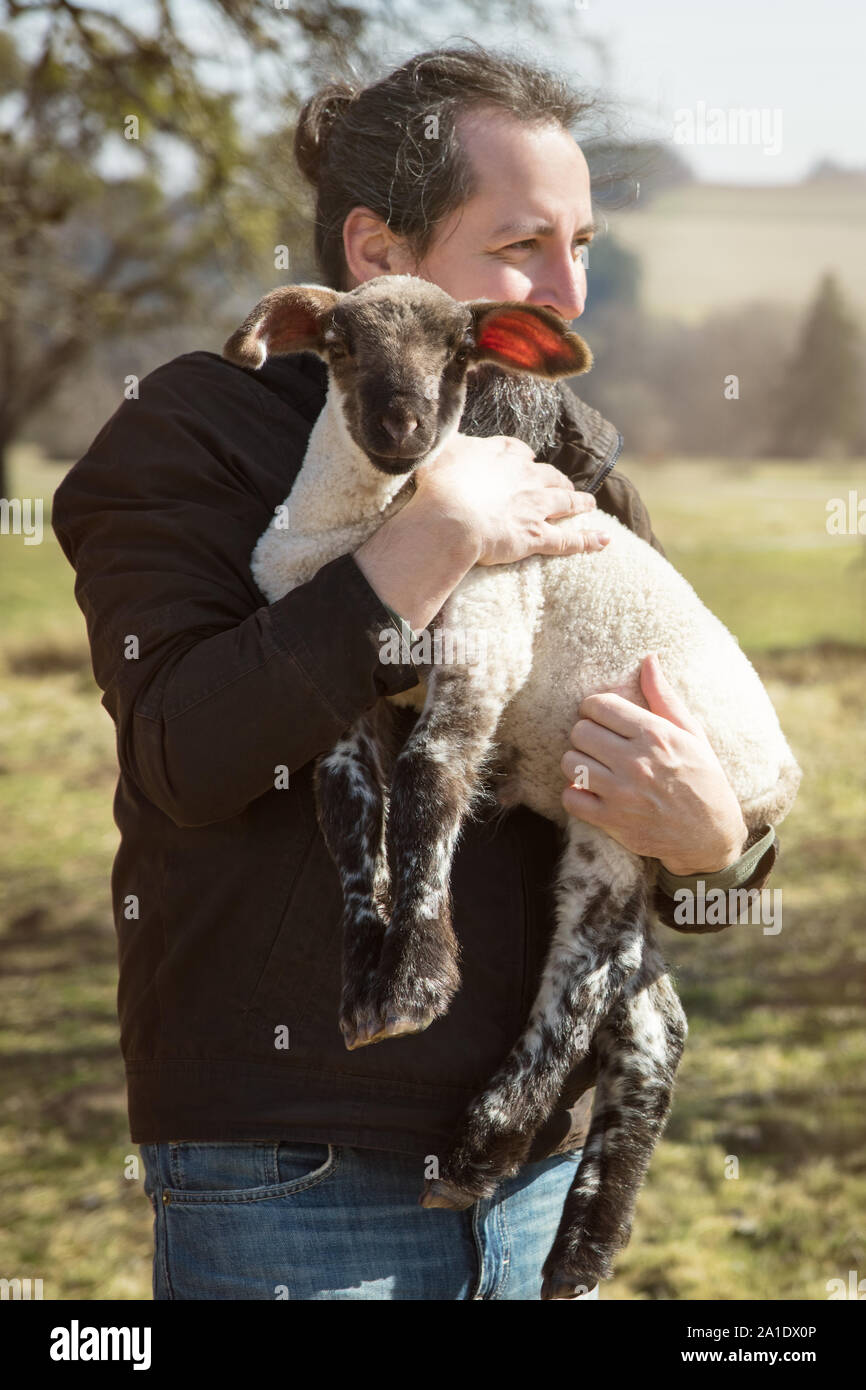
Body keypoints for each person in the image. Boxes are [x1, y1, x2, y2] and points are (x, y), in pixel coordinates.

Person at [51, 42, 779, 1301]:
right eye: (521, 246)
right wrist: (428, 539)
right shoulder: (191, 431)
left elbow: (674, 805)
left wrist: (719, 846)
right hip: (294, 1170)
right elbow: (185, 751)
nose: (567, 290)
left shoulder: (569, 449)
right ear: (376, 253)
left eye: (584, 245)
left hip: (535, 1166)